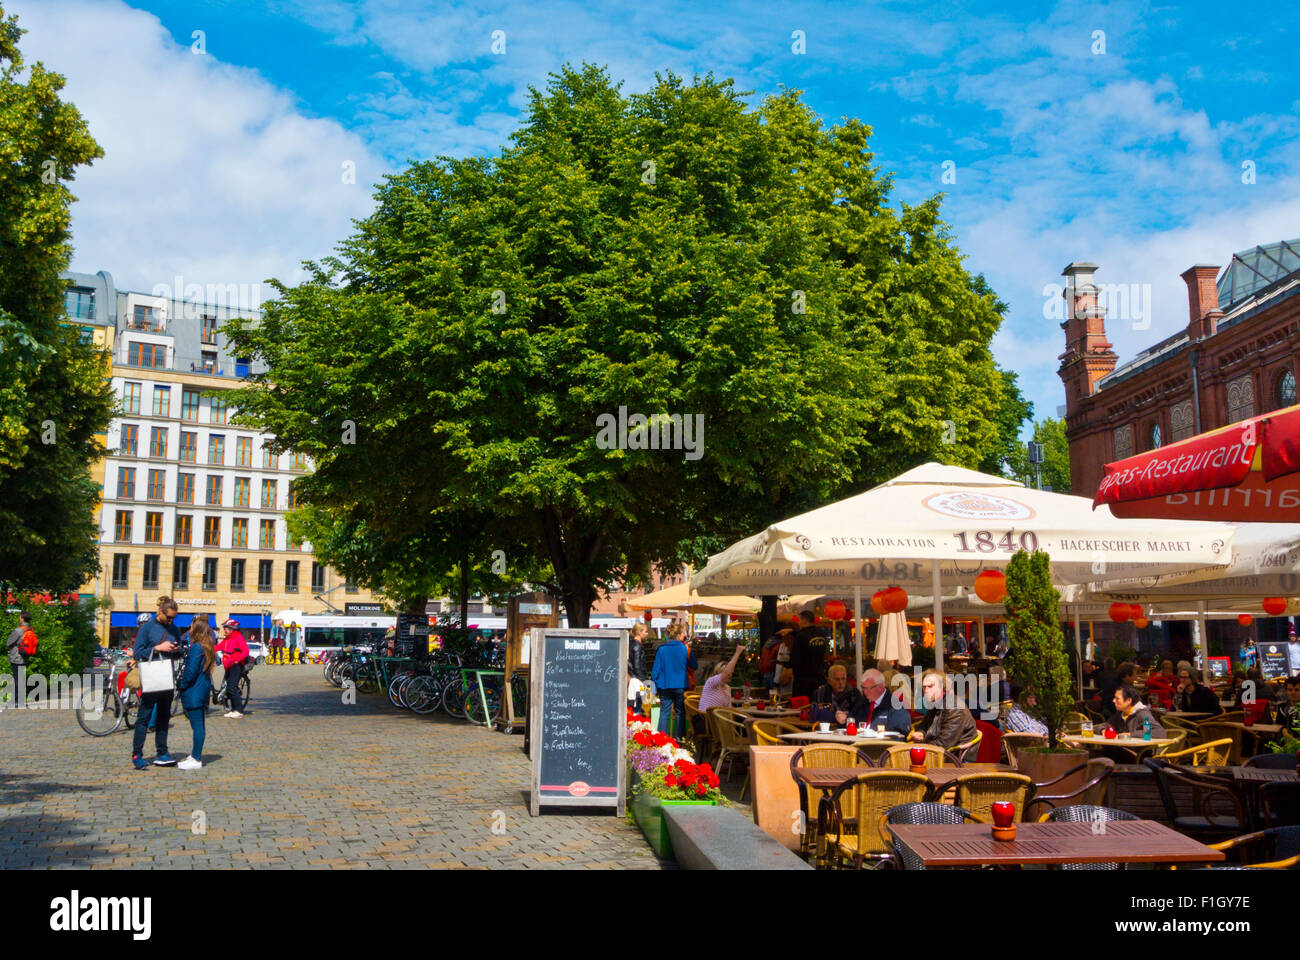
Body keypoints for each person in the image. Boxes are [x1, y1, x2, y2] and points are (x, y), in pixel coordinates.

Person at [131, 596, 182, 769]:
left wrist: (176, 650)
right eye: (168, 617)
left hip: (167, 677)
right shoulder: (147, 629)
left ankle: (162, 752)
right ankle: (137, 754)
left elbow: (179, 651)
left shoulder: (174, 629)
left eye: (173, 618)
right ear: (160, 612)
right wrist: (157, 648)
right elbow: (137, 652)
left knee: (163, 717)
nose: (171, 620)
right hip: (152, 677)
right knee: (144, 717)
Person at [176, 616, 216, 769]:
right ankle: (194, 755)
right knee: (197, 724)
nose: (189, 629)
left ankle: (197, 758)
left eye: (191, 626)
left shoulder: (197, 647)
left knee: (198, 725)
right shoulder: (206, 646)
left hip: (194, 690)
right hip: (201, 688)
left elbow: (191, 671)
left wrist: (182, 684)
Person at [909, 669, 977, 749]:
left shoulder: (955, 708)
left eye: (930, 686)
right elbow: (924, 726)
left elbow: (943, 744)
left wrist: (917, 746)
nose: (926, 690)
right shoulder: (936, 702)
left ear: (942, 686)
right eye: (924, 687)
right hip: (938, 751)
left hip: (953, 756)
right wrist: (921, 733)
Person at [650, 622, 696, 737]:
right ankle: (679, 741)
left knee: (664, 712)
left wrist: (654, 685)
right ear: (679, 635)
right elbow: (694, 665)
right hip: (680, 684)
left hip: (664, 685)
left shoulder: (662, 649)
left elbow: (655, 670)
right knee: (680, 712)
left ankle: (662, 740)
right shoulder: (685, 649)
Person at [851, 669, 912, 735]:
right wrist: (842, 720)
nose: (865, 692)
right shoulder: (862, 702)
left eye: (867, 688)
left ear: (880, 687)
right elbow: (851, 721)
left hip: (882, 744)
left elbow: (901, 733)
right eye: (863, 688)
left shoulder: (895, 705)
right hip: (858, 742)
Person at [789, 610, 830, 700]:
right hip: (819, 679)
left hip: (803, 682)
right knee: (817, 705)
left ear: (804, 621)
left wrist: (786, 664)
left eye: (799, 620)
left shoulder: (800, 637)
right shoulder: (822, 634)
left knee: (801, 708)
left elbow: (795, 660)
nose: (798, 623)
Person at [215, 618, 249, 718]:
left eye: (226, 628)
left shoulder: (238, 637)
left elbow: (245, 651)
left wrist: (237, 660)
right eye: (224, 628)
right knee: (229, 687)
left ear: (232, 629)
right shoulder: (227, 639)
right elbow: (218, 647)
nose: (224, 630)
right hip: (228, 665)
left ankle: (239, 710)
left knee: (231, 686)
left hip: (236, 665)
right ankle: (233, 709)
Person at [698, 644, 746, 712]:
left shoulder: (728, 688)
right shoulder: (711, 682)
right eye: (724, 671)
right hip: (706, 719)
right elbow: (727, 674)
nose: (730, 675)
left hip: (720, 719)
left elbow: (728, 709)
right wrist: (737, 652)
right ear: (718, 672)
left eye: (731, 673)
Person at [5, 611, 32, 688]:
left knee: (16, 679)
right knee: (21, 678)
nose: (19, 618)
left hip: (16, 657)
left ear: (22, 619)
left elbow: (8, 643)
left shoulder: (18, 630)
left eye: (20, 617)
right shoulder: (30, 629)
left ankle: (17, 699)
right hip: (25, 656)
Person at [627, 622, 649, 714]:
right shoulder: (637, 646)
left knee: (632, 705)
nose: (647, 633)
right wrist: (645, 681)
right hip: (637, 679)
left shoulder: (630, 643)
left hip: (631, 677)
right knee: (638, 705)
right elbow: (637, 666)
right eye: (646, 631)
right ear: (639, 632)